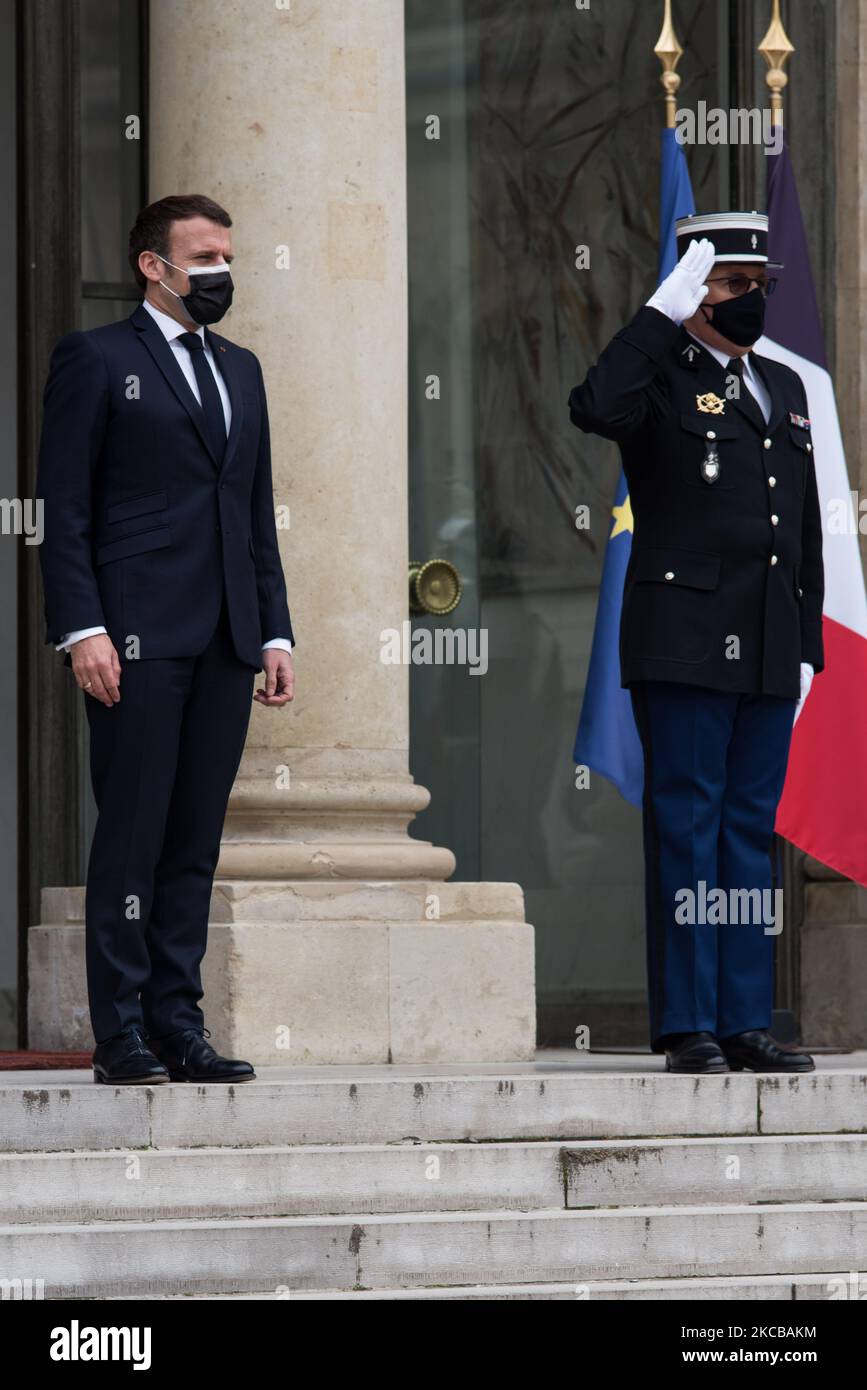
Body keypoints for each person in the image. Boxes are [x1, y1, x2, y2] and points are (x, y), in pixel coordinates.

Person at [37, 194, 295, 1085]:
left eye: (229, 256)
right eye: (205, 257)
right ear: (155, 265)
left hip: (227, 637)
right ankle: (121, 1034)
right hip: (133, 635)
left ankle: (179, 1025)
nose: (222, 273)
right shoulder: (97, 359)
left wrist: (275, 633)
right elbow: (63, 510)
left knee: (194, 839)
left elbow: (252, 510)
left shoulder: (243, 368)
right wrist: (83, 629)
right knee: (134, 832)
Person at [568, 211, 823, 1074]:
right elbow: (593, 408)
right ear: (693, 292)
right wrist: (654, 318)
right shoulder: (658, 377)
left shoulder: (780, 389)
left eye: (758, 287)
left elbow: (803, 525)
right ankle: (688, 1024)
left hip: (765, 641)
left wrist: (807, 640)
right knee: (688, 825)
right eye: (731, 285)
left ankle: (745, 1018)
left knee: (748, 830)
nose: (749, 300)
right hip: (683, 637)